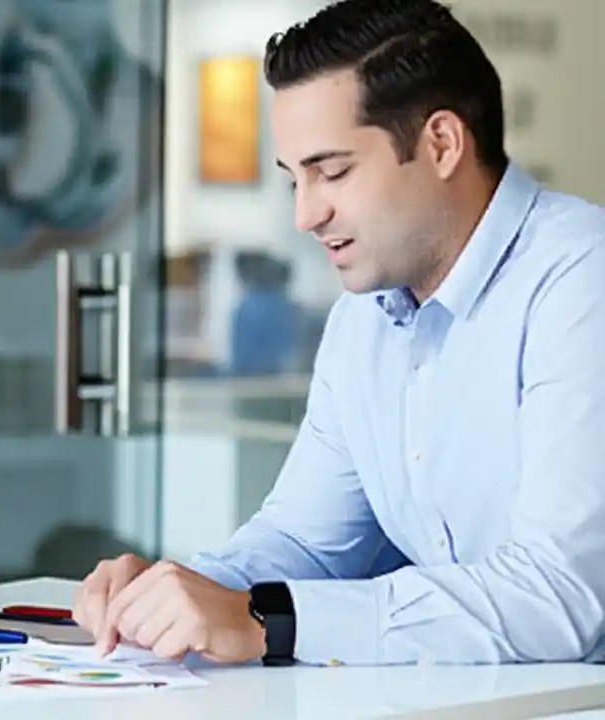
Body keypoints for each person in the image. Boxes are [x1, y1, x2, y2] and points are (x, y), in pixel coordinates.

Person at [74, 0, 605, 667]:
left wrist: (270, 620)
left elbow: (559, 597)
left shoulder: (581, 279)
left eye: (332, 172)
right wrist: (175, 593)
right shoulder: (364, 317)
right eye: (294, 179)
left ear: (442, 144)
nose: (306, 214)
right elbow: (307, 541)